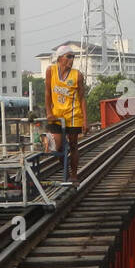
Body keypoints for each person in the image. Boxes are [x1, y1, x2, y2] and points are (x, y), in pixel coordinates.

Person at [45, 44, 85, 181]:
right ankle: (65, 169)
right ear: (60, 58)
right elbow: (47, 93)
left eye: (73, 57)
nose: (71, 60)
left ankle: (74, 174)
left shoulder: (77, 75)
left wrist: (85, 120)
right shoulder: (50, 71)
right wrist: (49, 112)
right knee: (57, 146)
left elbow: (82, 98)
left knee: (73, 145)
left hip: (73, 115)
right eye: (69, 56)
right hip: (56, 115)